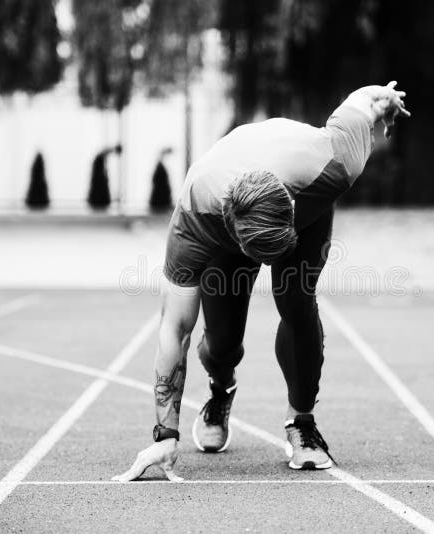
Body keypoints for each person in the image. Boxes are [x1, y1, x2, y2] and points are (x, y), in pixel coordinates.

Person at [113, 82, 409, 482]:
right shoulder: (194, 217)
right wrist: (165, 434)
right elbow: (175, 328)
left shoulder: (335, 162)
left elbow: (365, 100)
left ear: (290, 204)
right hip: (226, 219)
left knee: (297, 300)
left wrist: (387, 101)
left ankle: (301, 420)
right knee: (221, 339)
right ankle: (221, 388)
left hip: (304, 213)